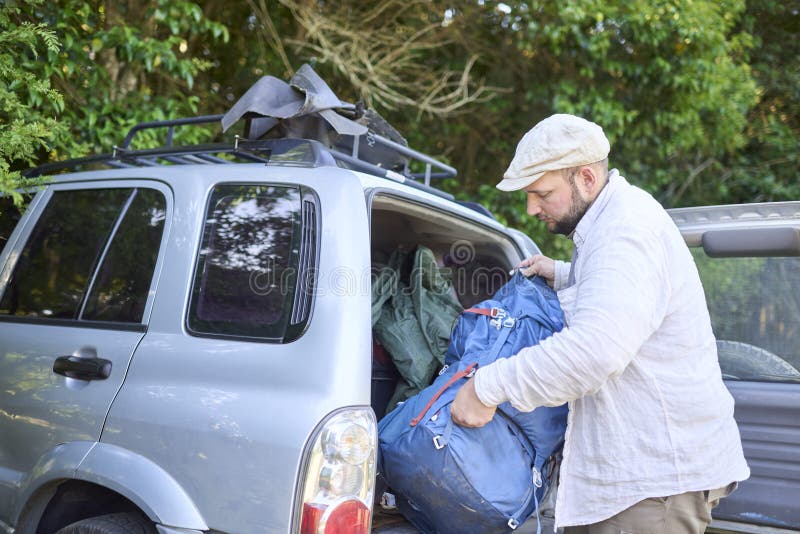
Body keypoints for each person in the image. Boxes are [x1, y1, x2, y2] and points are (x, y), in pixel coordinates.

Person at [450, 114, 750, 533]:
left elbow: (593, 352)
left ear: (587, 179)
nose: (531, 207)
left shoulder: (625, 233)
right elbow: (626, 292)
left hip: (652, 486)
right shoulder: (615, 223)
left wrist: (486, 388)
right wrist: (565, 272)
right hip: (644, 481)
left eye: (542, 193)